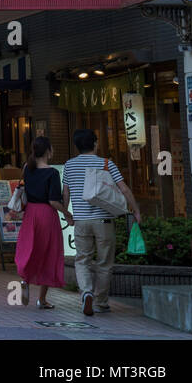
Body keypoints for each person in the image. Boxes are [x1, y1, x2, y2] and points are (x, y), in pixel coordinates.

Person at [63, 128, 142, 316]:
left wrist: (67, 214)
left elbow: (65, 192)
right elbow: (123, 189)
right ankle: (100, 302)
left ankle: (87, 292)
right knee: (104, 262)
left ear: (77, 146)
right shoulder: (107, 164)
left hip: (81, 221)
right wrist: (136, 211)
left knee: (82, 259)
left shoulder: (70, 165)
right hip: (104, 220)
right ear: (95, 144)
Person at [15, 136, 74, 309]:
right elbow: (53, 201)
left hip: (30, 213)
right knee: (48, 254)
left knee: (30, 249)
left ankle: (25, 280)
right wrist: (67, 213)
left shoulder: (27, 168)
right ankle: (42, 299)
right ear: (48, 151)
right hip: (47, 215)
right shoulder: (52, 173)